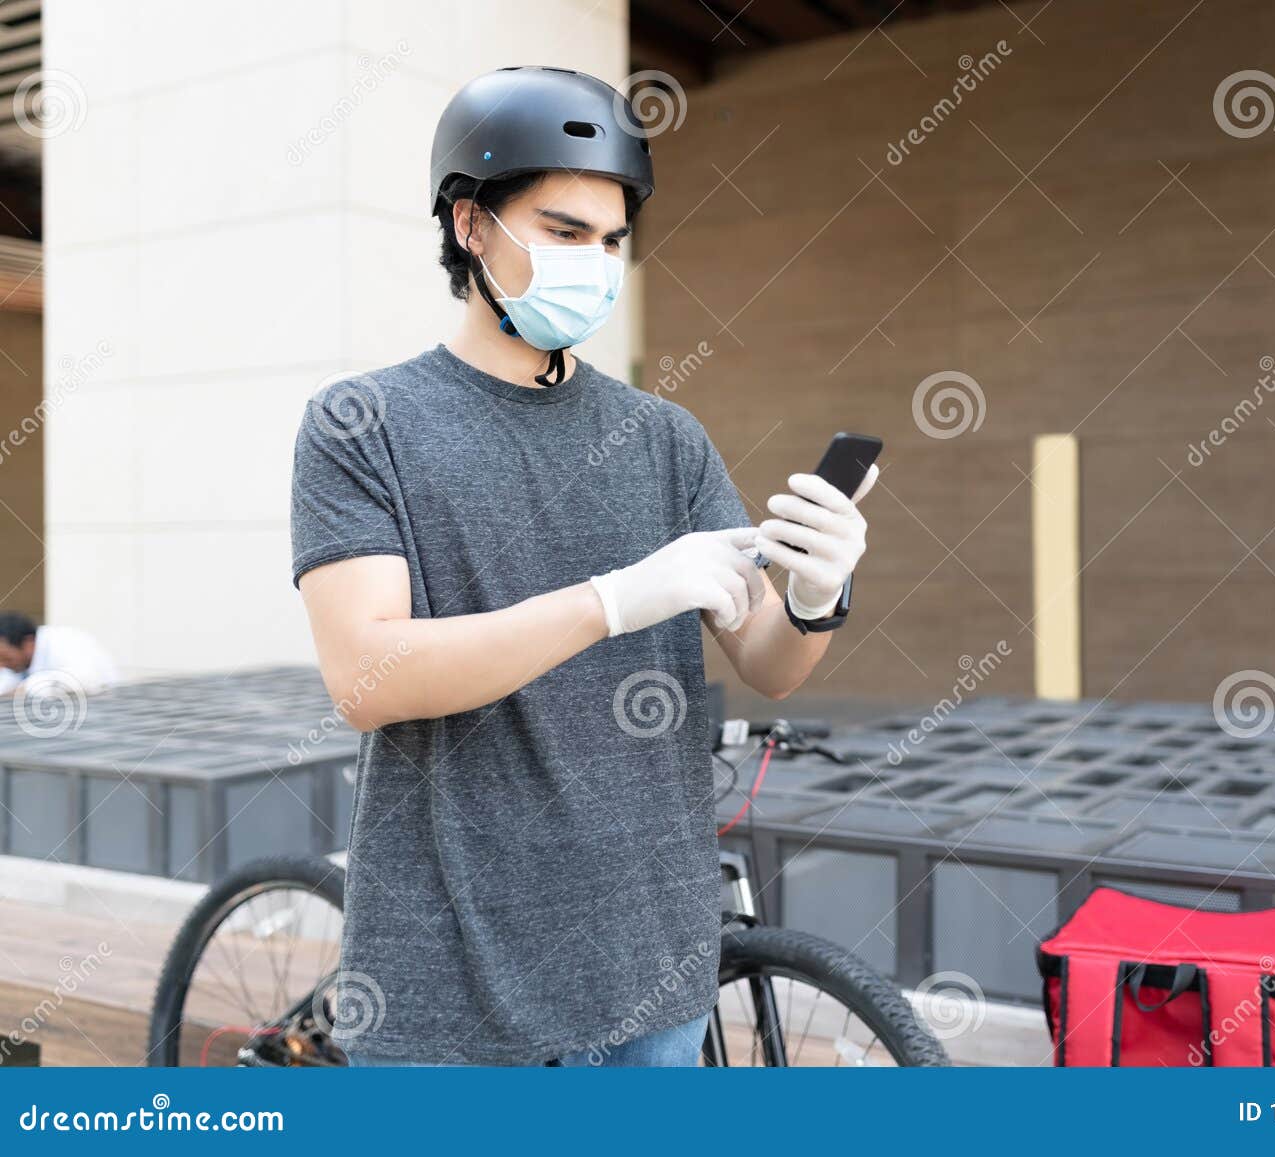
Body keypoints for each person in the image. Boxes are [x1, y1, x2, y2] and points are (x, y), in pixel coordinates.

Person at [290, 67, 877, 1067]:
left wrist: (818, 592)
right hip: (449, 981)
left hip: (653, 965)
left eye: (612, 241)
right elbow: (367, 678)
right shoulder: (363, 424)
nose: (597, 265)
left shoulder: (664, 437)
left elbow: (770, 660)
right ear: (471, 226)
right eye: (564, 233)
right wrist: (614, 599)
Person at [0, 612, 119, 696]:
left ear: (28, 643)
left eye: (5, 658)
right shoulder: (17, 664)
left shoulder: (65, 641)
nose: (2, 665)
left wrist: (26, 688)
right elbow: (6, 688)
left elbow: (87, 678)